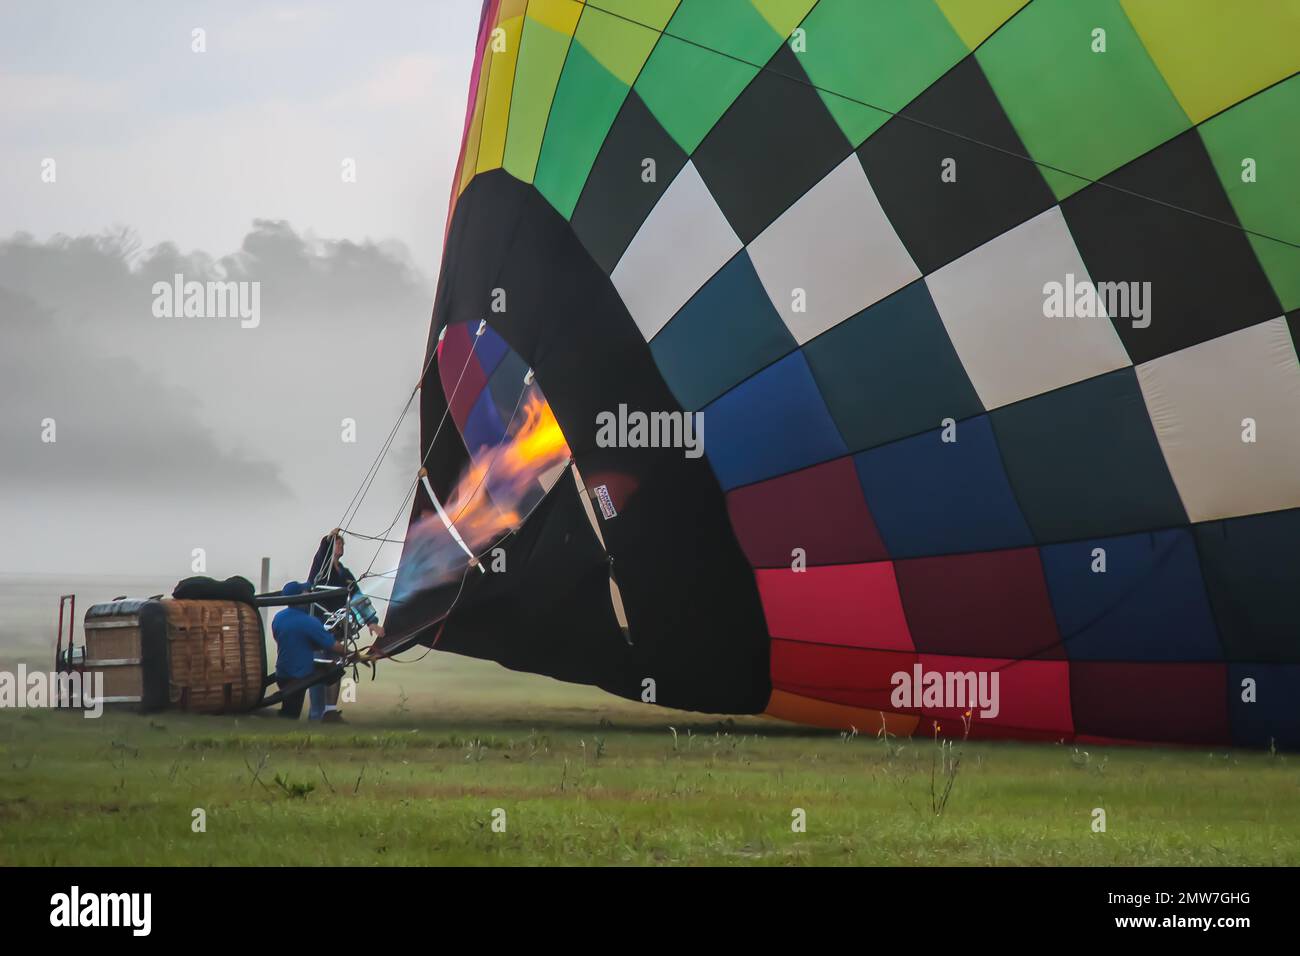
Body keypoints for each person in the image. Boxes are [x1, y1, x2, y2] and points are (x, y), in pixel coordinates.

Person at [306, 529, 383, 722]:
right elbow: (320, 557)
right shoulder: (321, 571)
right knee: (318, 668)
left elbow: (358, 598)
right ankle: (316, 714)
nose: (342, 547)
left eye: (342, 544)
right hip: (319, 626)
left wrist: (372, 623)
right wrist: (328, 539)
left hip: (338, 629)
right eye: (338, 544)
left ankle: (330, 712)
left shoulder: (346, 574)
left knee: (336, 668)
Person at [271, 580, 346, 720]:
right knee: (335, 670)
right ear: (299, 597)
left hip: (282, 672)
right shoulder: (309, 621)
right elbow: (333, 646)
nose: (309, 593)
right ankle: (329, 712)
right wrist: (350, 652)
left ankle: (323, 713)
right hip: (299, 674)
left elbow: (294, 641)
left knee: (290, 708)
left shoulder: (278, 617)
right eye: (305, 591)